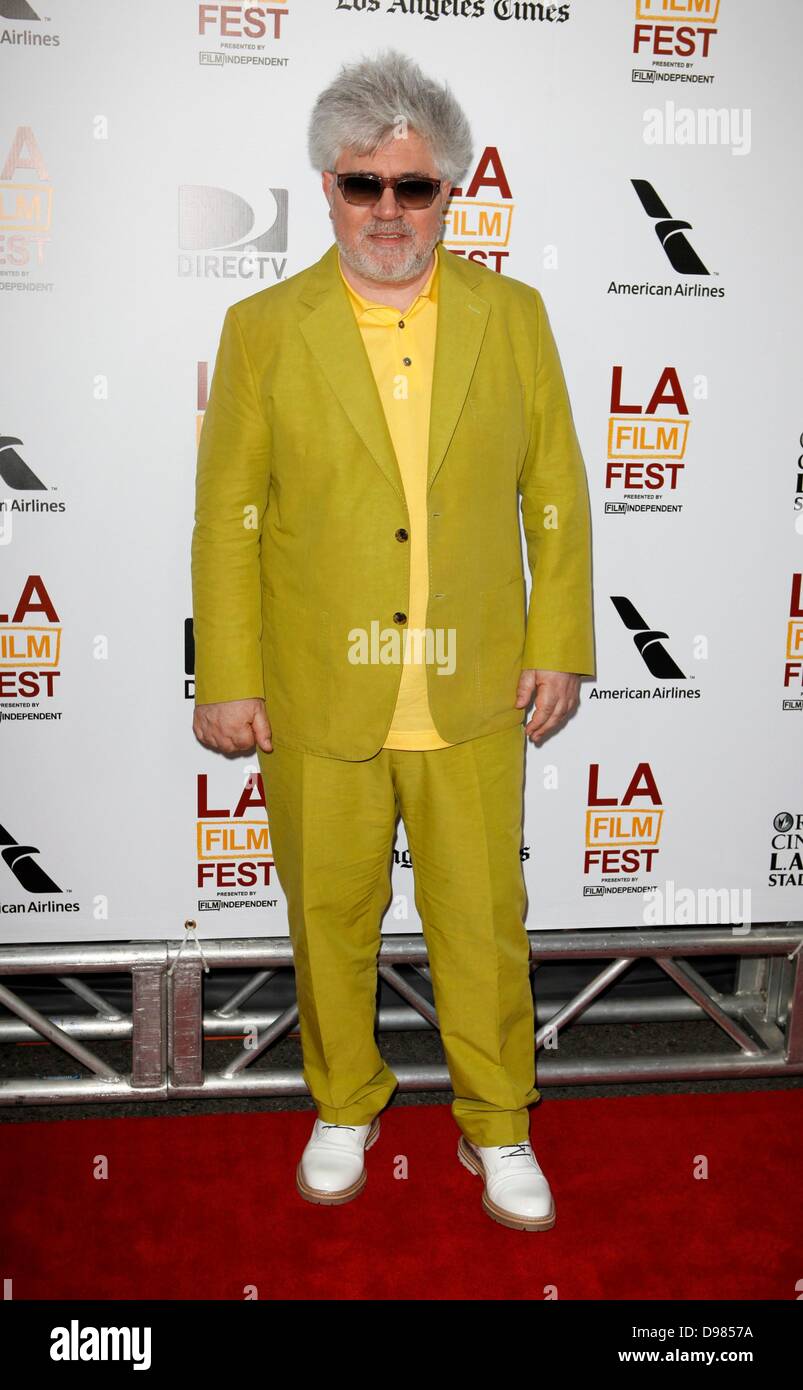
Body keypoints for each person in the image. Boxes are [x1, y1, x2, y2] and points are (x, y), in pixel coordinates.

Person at [191, 48, 595, 1233]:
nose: (386, 210)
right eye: (362, 183)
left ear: (446, 193)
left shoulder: (511, 318)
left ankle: (497, 1121)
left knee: (482, 922)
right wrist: (228, 675)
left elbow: (555, 494)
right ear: (326, 186)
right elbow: (228, 515)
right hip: (318, 689)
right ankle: (341, 1103)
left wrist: (559, 640)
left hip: (472, 688)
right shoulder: (263, 328)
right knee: (327, 918)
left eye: (411, 186)